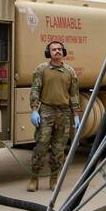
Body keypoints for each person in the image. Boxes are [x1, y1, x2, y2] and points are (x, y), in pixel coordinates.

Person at [28, 40, 81, 191]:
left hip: (63, 113)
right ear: (48, 53)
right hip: (46, 110)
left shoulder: (70, 72)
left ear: (63, 52)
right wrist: (34, 110)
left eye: (59, 49)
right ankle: (34, 177)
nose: (57, 51)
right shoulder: (42, 69)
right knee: (41, 145)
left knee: (59, 149)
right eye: (53, 49)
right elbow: (35, 90)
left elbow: (74, 95)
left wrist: (76, 115)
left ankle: (54, 179)